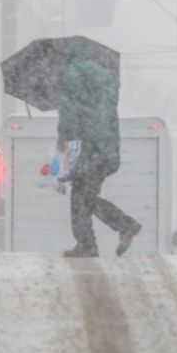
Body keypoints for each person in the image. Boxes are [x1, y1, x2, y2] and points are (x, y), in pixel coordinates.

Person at [58, 46, 142, 257]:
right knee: (86, 198)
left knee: (80, 200)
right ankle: (117, 229)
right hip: (105, 150)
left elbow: (69, 123)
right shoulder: (104, 76)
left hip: (88, 150)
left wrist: (62, 161)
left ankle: (105, 235)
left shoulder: (73, 76)